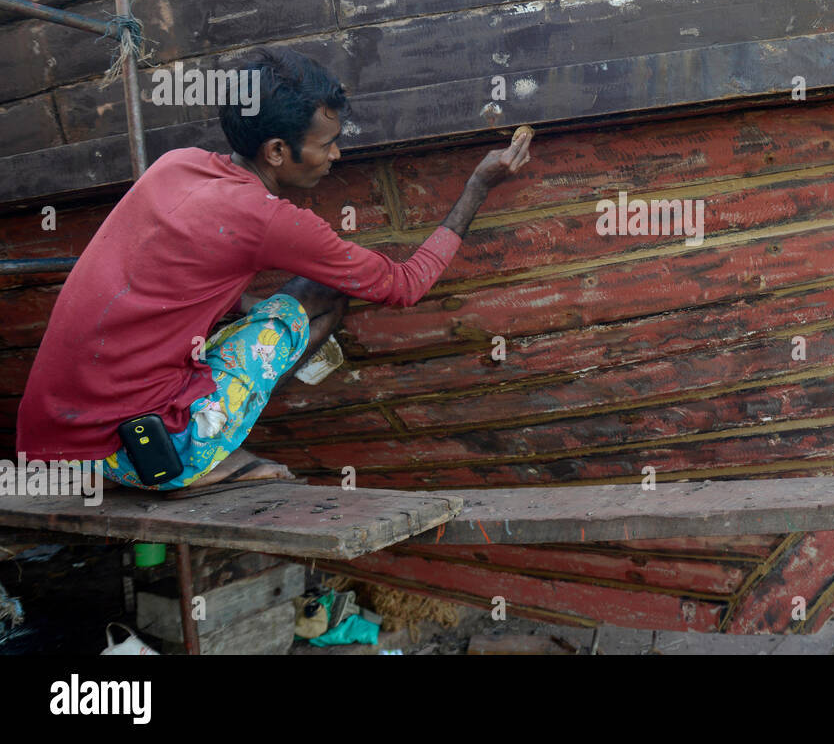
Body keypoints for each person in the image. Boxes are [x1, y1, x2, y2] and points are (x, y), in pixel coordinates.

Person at [16, 47, 531, 491]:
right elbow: (403, 284)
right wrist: (476, 189)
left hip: (64, 443)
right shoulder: (268, 219)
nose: (337, 153)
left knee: (259, 310)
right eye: (327, 143)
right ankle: (199, 458)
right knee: (321, 294)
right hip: (140, 453)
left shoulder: (175, 165)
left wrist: (247, 313)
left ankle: (200, 430)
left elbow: (175, 286)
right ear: (278, 151)